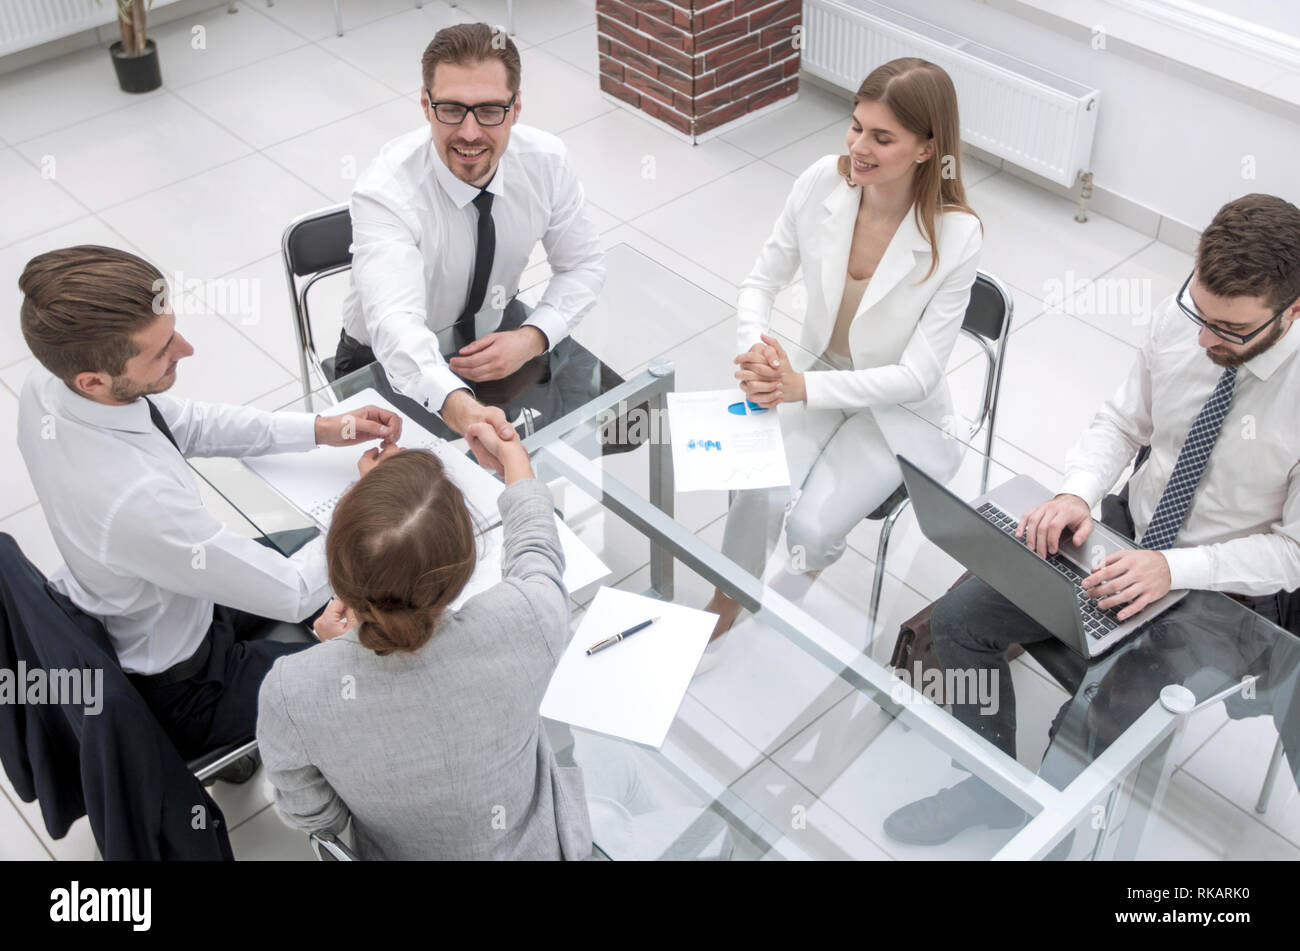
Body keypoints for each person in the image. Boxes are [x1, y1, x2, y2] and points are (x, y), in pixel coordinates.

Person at [884, 193, 1300, 845]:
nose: (1202, 337)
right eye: (1199, 311)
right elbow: (1122, 422)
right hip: (1124, 536)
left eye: (1228, 330)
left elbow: (1291, 553)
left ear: (1292, 310)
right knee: (959, 621)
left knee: (1099, 709)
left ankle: (1048, 837)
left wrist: (1173, 568)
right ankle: (989, 787)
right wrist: (1077, 493)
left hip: (1226, 596)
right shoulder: (1182, 317)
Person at [15, 245, 400, 775]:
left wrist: (321, 430)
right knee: (378, 666)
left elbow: (186, 423)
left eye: (172, 331)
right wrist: (365, 500)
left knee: (307, 552)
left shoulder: (48, 385)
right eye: (161, 351)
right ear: (94, 381)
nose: (187, 349)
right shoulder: (133, 500)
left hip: (161, 601)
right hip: (186, 688)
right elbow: (290, 594)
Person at [702, 58, 982, 649]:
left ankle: (794, 586)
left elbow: (917, 374)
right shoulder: (819, 184)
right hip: (814, 374)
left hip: (896, 412)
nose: (858, 146)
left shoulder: (956, 236)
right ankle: (728, 592)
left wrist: (802, 388)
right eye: (856, 126)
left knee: (809, 524)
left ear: (928, 149)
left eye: (882, 138)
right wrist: (757, 350)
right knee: (758, 486)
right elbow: (760, 282)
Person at [256, 432, 592, 860]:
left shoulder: (292, 691)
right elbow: (537, 551)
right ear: (467, 559)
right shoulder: (527, 615)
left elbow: (316, 817)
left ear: (339, 574)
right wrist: (515, 464)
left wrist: (338, 656)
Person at [335, 21, 606, 455]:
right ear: (425, 104)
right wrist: (458, 406)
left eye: (489, 110)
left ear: (516, 108)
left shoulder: (547, 163)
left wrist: (533, 336)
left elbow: (583, 265)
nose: (469, 132)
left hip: (497, 332)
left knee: (616, 429)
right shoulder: (386, 192)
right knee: (432, 507)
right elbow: (396, 325)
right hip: (385, 362)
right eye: (451, 109)